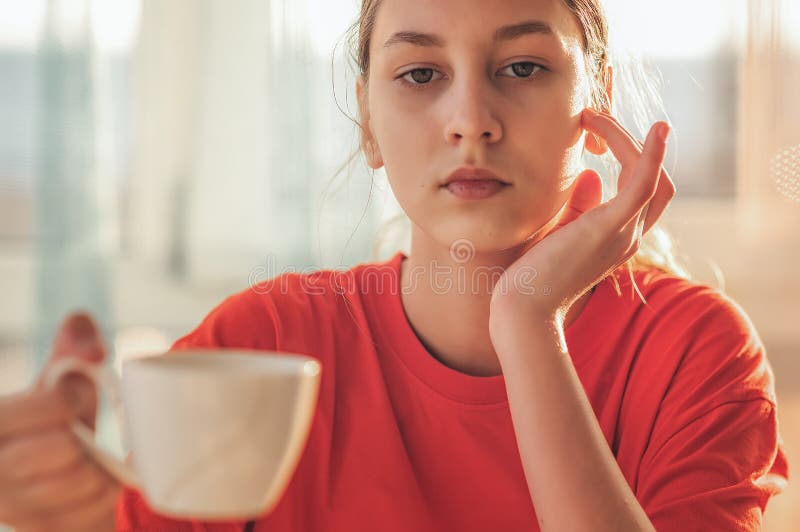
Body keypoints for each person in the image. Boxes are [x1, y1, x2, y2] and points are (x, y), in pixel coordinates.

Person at [0, 0, 789, 530]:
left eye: (521, 67)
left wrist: (526, 321)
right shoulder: (264, 342)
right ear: (368, 123)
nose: (471, 121)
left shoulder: (697, 352)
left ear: (596, 102)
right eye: (420, 74)